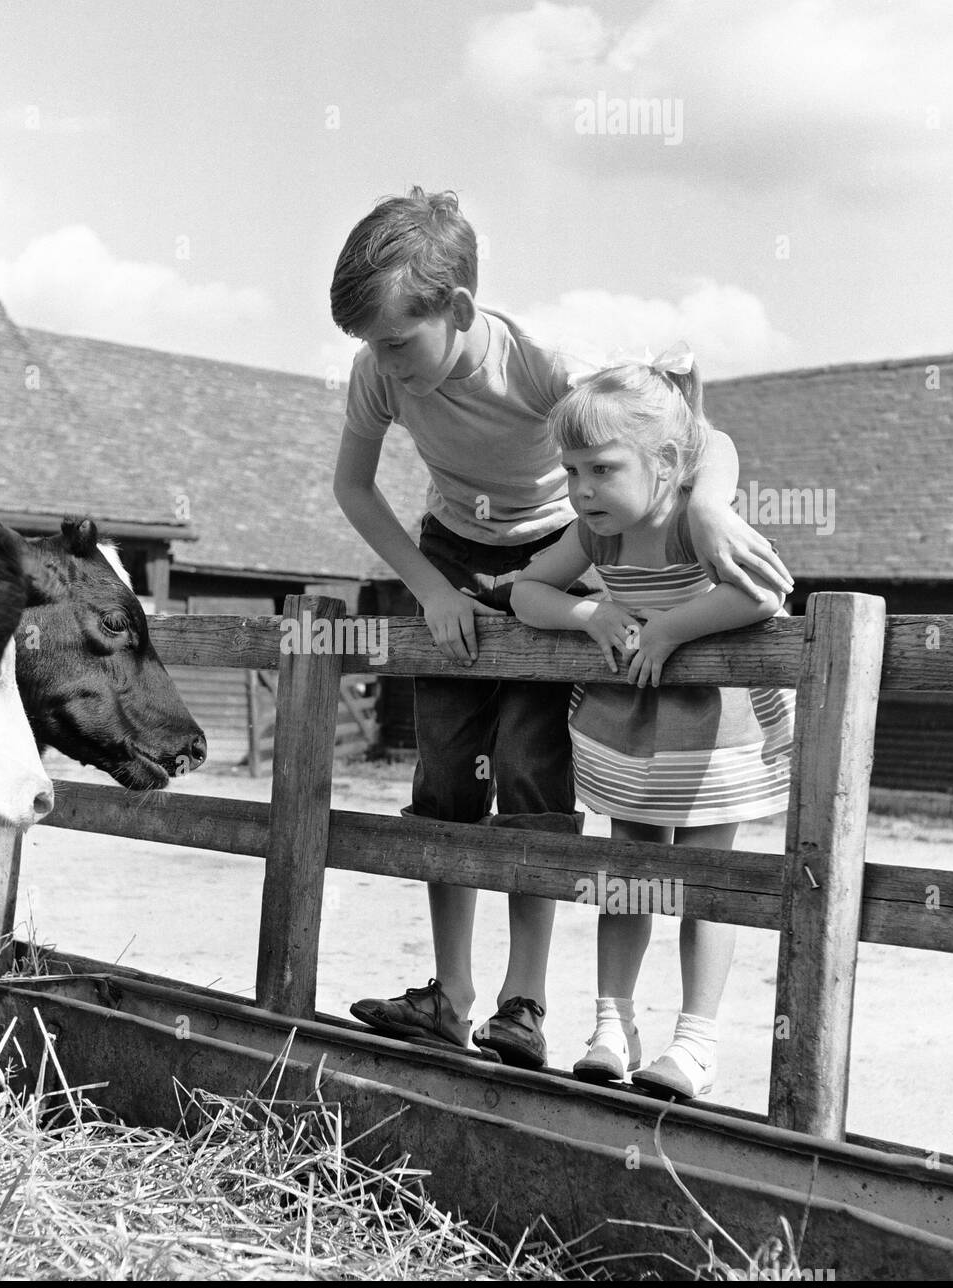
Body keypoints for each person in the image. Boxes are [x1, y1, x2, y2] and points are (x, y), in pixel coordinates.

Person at [329, 187, 791, 1068]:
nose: (384, 364)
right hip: (451, 562)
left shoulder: (546, 362)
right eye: (371, 347)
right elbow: (354, 487)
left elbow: (692, 435)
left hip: (560, 548)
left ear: (459, 310)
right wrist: (430, 588)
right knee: (445, 775)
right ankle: (448, 993)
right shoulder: (377, 373)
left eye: (395, 342)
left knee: (531, 767)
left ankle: (524, 1000)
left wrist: (710, 506)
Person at [510, 345, 794, 1098]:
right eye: (571, 472)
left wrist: (671, 629)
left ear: (665, 462)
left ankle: (695, 1041)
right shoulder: (596, 535)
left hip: (710, 730)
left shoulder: (693, 523)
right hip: (634, 728)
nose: (582, 489)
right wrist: (590, 611)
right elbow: (525, 594)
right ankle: (614, 1023)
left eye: (602, 469)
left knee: (705, 879)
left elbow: (763, 596)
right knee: (629, 873)